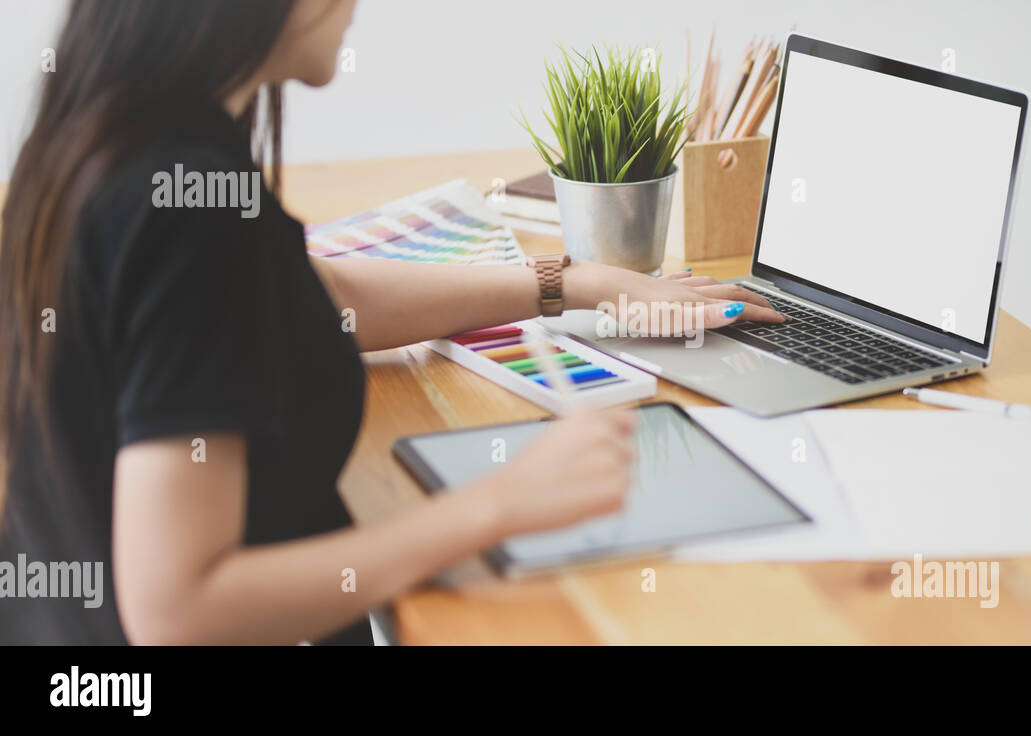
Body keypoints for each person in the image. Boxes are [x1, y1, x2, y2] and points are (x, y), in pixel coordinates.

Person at [0, 0, 781, 644]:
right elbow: (179, 613)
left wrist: (580, 282)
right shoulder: (191, 219)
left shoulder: (111, 142)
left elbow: (321, 297)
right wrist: (497, 505)